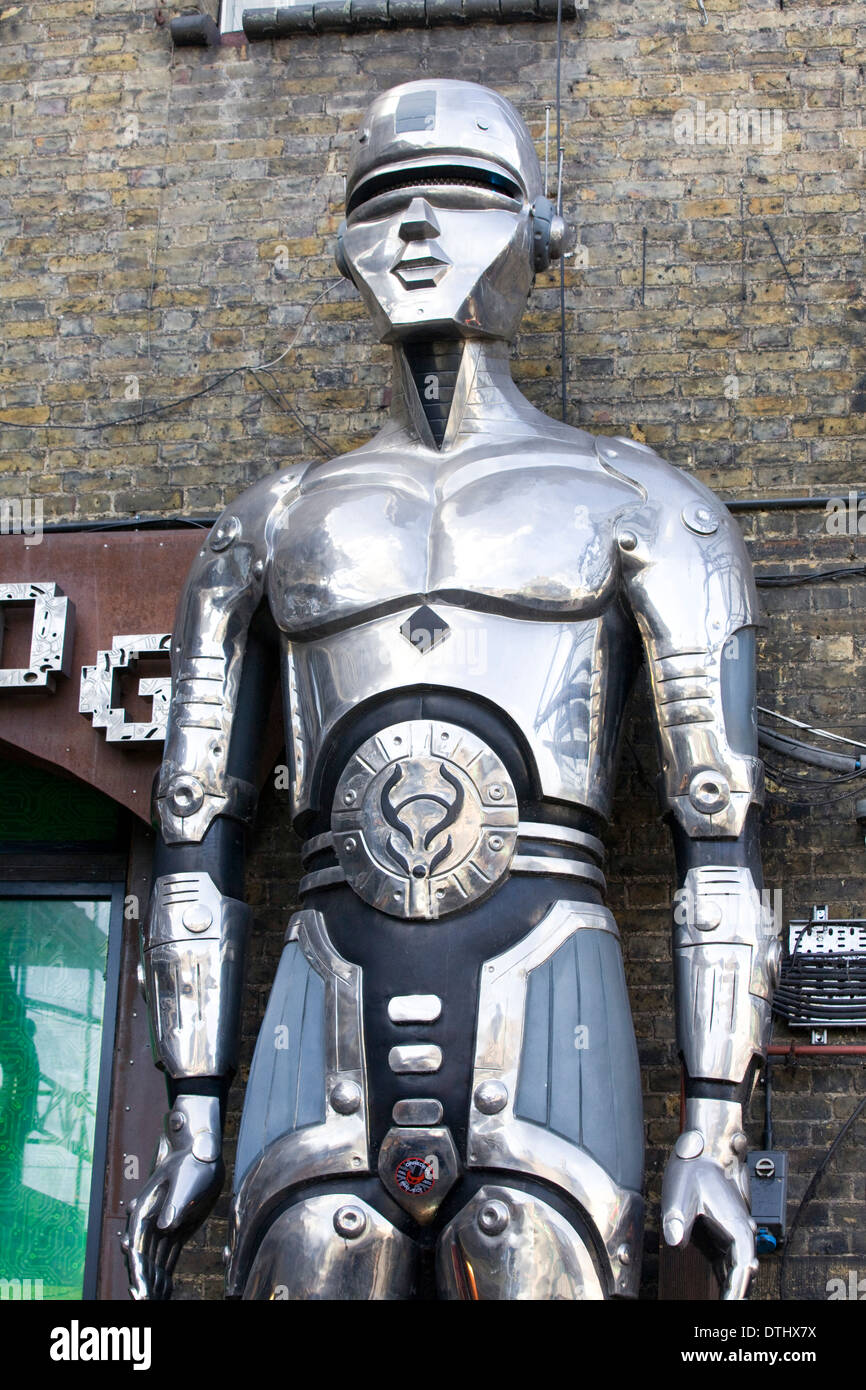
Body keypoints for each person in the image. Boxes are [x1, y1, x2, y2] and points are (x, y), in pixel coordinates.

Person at [124, 79, 778, 1301]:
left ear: (539, 228)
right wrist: (193, 1117)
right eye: (385, 198)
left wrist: (712, 1129)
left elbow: (719, 826)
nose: (419, 229)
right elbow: (194, 831)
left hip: (549, 998)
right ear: (345, 240)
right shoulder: (265, 526)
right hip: (319, 989)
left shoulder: (645, 508)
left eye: (465, 192)